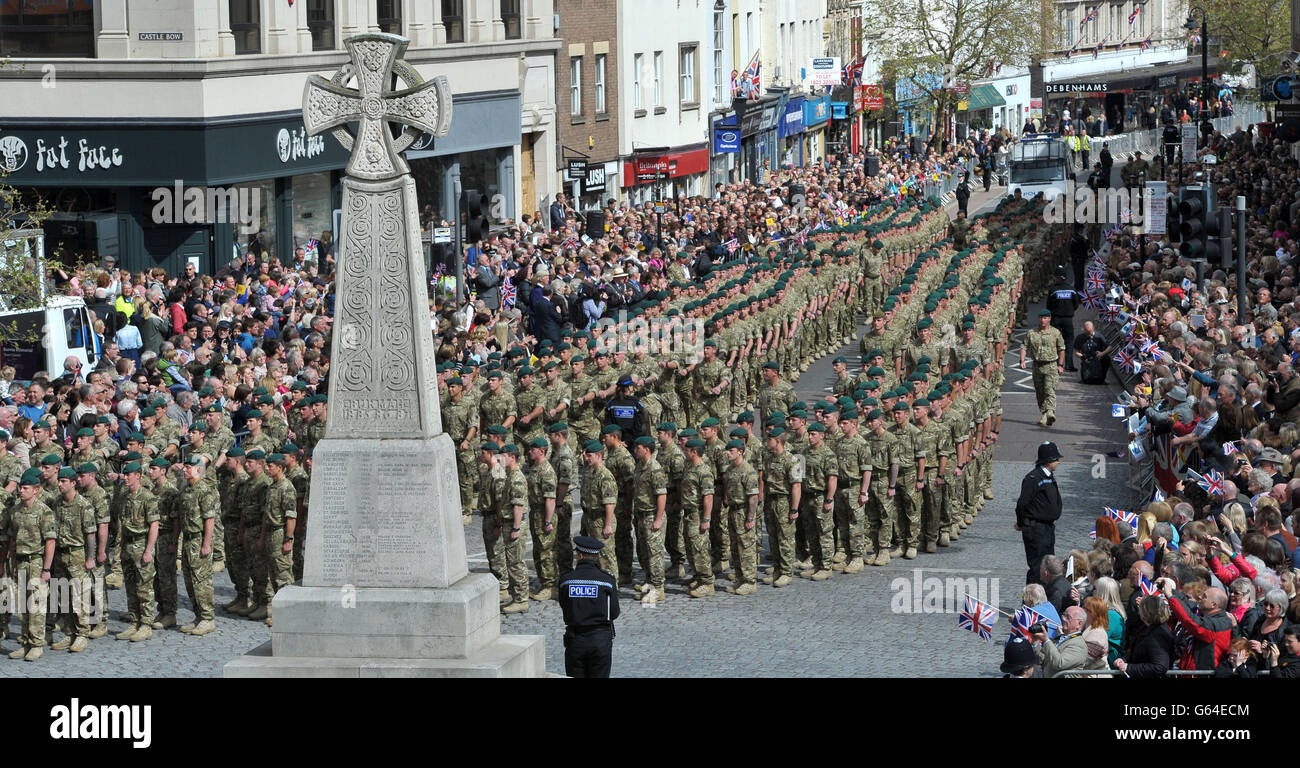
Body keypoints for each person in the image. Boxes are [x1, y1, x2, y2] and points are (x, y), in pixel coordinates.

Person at [557, 535, 620, 678]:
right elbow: (614, 612)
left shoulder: (566, 581)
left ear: (579, 555)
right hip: (600, 640)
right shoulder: (607, 581)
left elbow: (564, 605)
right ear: (596, 557)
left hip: (575, 639)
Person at [1015, 441, 1063, 586]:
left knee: (1047, 565)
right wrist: (1021, 523)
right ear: (1048, 461)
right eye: (1056, 459)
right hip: (1036, 529)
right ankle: (1031, 600)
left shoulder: (1048, 476)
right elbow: (1022, 504)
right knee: (1037, 567)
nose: (1058, 462)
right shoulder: (1034, 478)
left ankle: (1043, 596)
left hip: (1047, 528)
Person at [1020, 310, 1066, 426]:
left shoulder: (1055, 333)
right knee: (1040, 392)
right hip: (1037, 366)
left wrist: (1060, 365)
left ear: (1049, 318)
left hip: (1051, 365)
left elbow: (1061, 349)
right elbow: (1024, 346)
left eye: (1045, 318)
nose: (1043, 320)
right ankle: (1045, 413)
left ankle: (1050, 411)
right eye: (1041, 318)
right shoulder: (1032, 333)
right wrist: (1022, 360)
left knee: (1049, 390)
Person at [1114, 594, 1174, 678]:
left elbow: (1160, 667)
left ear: (1147, 612)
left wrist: (1129, 667)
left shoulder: (1158, 634)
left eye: (1140, 608)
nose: (1139, 611)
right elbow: (1137, 650)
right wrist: (1124, 659)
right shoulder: (1146, 628)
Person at [1045, 268, 1080, 372]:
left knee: (1055, 342)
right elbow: (1076, 305)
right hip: (1068, 319)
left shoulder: (1053, 290)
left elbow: (1049, 306)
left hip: (1056, 319)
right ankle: (1069, 365)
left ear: (1056, 277)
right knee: (1068, 342)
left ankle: (1055, 364)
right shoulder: (1072, 290)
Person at [1073, 320, 1110, 384]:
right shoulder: (1079, 337)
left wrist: (1102, 353)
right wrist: (1082, 356)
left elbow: (1109, 347)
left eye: (1090, 332)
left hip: (1097, 357)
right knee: (1086, 378)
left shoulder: (1099, 336)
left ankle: (1102, 379)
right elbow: (1076, 352)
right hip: (1087, 357)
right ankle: (1085, 378)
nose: (1089, 334)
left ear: (1093, 328)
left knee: (1107, 359)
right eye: (1087, 333)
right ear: (1084, 330)